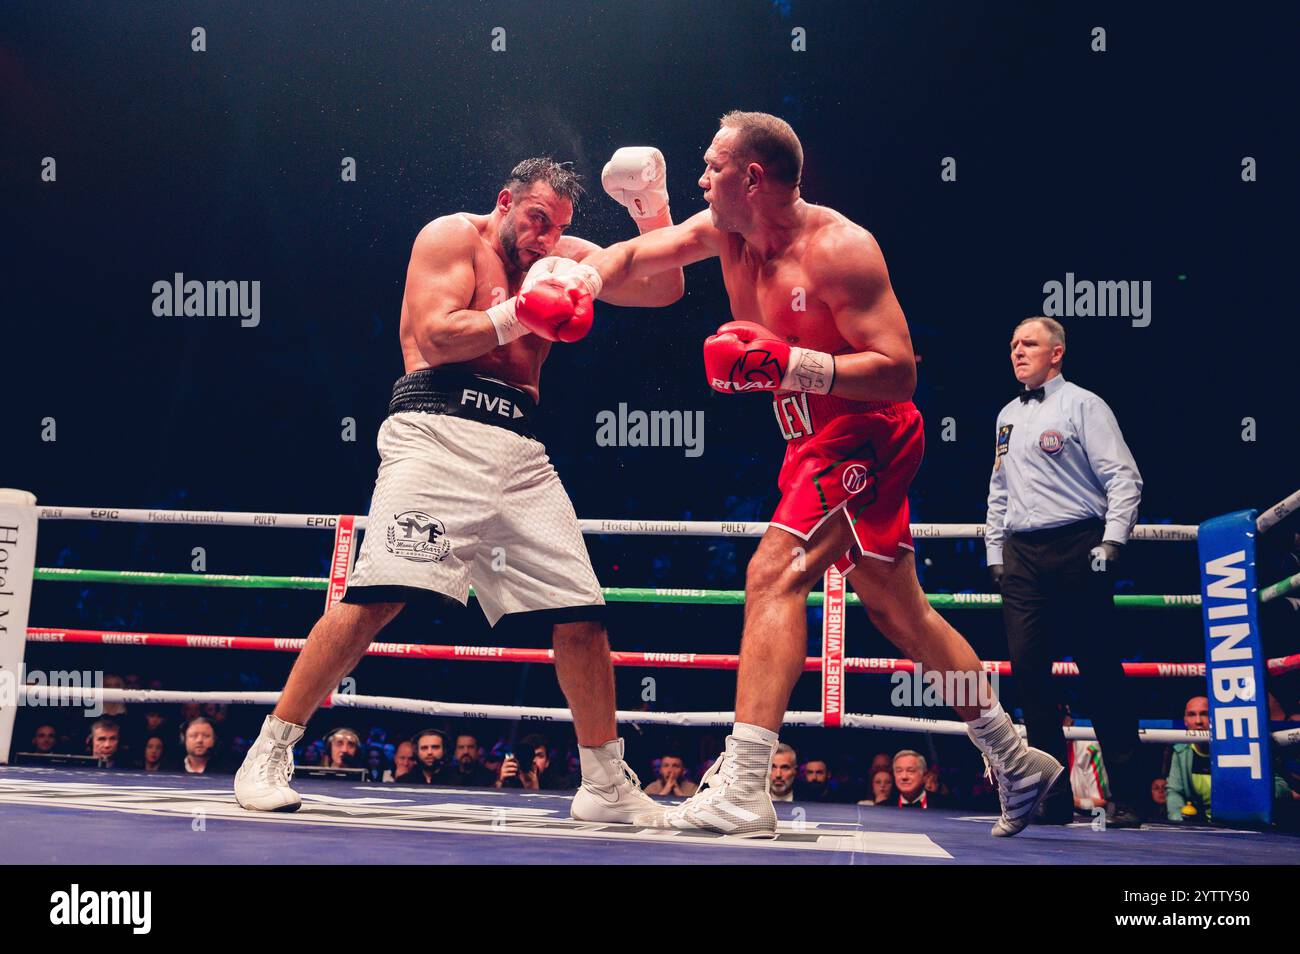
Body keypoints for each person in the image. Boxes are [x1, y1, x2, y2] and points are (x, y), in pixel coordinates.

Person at [568, 110, 1061, 837]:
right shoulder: (724, 232)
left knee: (775, 572)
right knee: (903, 613)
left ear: (753, 177)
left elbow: (897, 375)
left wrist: (788, 362)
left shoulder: (840, 250)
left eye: (712, 166)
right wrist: (577, 278)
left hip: (867, 434)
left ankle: (743, 784)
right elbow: (639, 258)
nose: (700, 179)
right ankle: (1015, 758)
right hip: (808, 443)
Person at [235, 152, 685, 822]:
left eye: (557, 228)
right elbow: (437, 336)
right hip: (436, 427)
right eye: (535, 219)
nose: (544, 238)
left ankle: (603, 785)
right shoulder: (451, 237)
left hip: (522, 449)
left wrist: (651, 204)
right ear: (506, 201)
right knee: (376, 599)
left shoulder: (561, 255)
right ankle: (269, 752)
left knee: (582, 614)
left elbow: (663, 287)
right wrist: (522, 315)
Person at [985, 316, 1146, 828]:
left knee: (1099, 671)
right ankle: (1052, 798)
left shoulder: (1084, 404)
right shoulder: (1006, 415)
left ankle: (1129, 796)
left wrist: (1113, 539)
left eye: (1028, 343)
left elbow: (1123, 476)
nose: (1018, 351)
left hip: (1079, 544)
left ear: (1056, 352)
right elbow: (1000, 490)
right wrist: (995, 553)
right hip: (1022, 556)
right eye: (1013, 344)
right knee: (1031, 675)